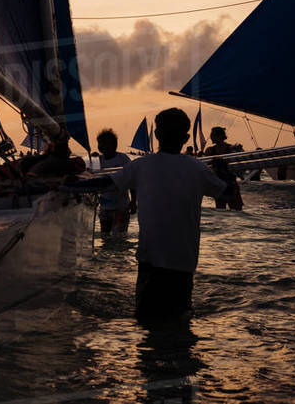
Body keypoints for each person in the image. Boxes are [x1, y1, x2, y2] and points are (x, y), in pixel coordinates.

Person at [74, 107, 230, 324]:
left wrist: (68, 186)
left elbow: (106, 183)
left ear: (156, 135)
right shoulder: (198, 169)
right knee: (179, 322)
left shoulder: (141, 166)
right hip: (183, 264)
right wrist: (225, 172)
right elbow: (230, 197)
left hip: (150, 263)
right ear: (186, 138)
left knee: (146, 323)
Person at [95, 129, 135, 235]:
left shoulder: (123, 159)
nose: (100, 146)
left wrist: (134, 201)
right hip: (104, 207)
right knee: (105, 237)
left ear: (113, 145)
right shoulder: (98, 160)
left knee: (119, 238)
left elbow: (132, 180)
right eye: (99, 143)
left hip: (121, 207)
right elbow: (92, 179)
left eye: (103, 143)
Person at [203, 127, 244, 210]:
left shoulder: (232, 149)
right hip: (219, 185)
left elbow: (240, 169)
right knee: (220, 212)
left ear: (220, 136)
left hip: (231, 184)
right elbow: (206, 169)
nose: (211, 137)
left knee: (237, 210)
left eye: (213, 135)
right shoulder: (209, 150)